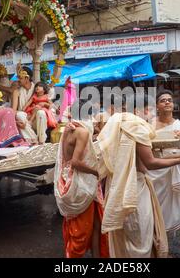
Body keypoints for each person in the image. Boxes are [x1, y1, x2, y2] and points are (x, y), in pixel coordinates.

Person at [97, 98, 180, 257]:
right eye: (149, 110)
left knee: (125, 233)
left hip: (115, 185)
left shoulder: (114, 126)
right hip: (134, 188)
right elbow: (150, 163)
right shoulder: (137, 127)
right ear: (137, 111)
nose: (152, 115)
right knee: (141, 235)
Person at [54, 100, 109, 258]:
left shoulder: (70, 128)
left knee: (96, 224)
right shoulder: (83, 132)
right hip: (80, 183)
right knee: (82, 230)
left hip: (69, 179)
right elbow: (76, 162)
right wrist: (95, 172)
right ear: (89, 115)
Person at [147, 90, 180, 233]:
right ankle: (154, 241)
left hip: (174, 170)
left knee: (169, 208)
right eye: (163, 100)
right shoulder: (149, 126)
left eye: (170, 100)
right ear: (156, 106)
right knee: (152, 207)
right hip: (154, 171)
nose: (167, 102)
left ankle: (163, 243)